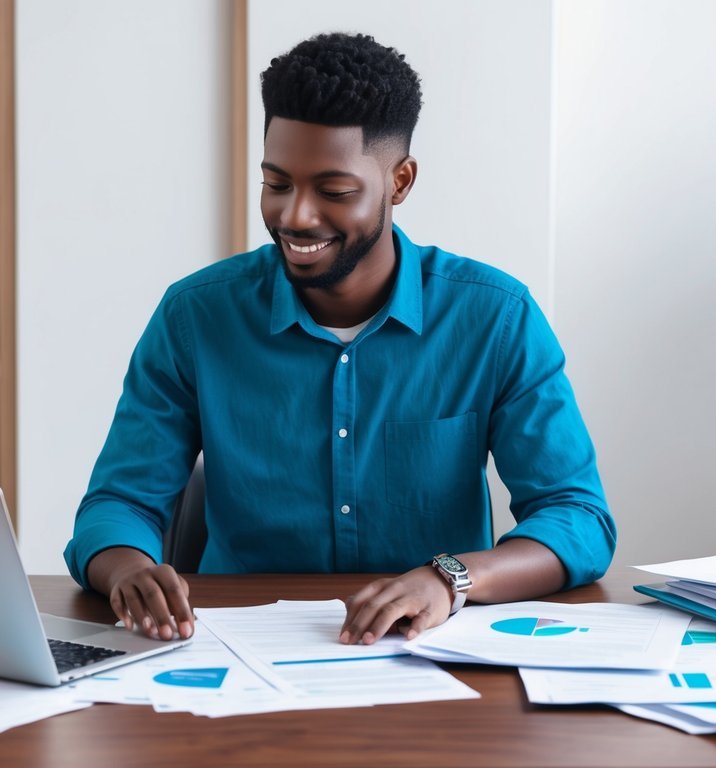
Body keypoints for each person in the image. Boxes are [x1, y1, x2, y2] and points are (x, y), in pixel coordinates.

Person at [64, 32, 614, 646]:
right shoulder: (196, 316)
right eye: (277, 184)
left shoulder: (495, 317)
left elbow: (578, 518)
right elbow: (116, 505)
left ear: (399, 181)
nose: (296, 216)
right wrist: (130, 567)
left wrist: (448, 578)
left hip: (429, 656)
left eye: (334, 191)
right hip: (230, 657)